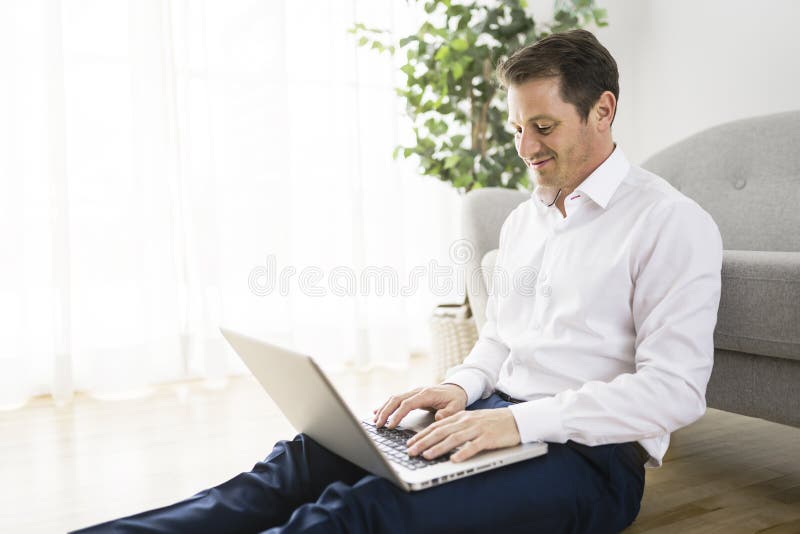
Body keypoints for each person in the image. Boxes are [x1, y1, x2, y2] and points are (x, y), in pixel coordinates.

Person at [72, 29, 722, 534]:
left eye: (543, 127)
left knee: (359, 514)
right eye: (519, 127)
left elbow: (676, 391)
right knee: (296, 464)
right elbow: (500, 341)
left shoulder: (670, 224)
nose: (526, 147)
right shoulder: (528, 221)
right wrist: (456, 386)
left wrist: (521, 424)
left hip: (589, 461)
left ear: (602, 111)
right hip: (487, 418)